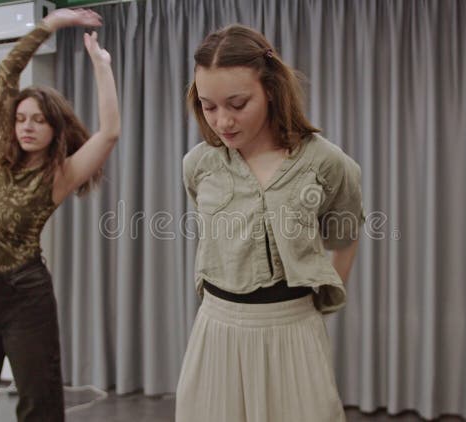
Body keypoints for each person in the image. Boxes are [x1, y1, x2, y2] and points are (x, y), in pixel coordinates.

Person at [176, 24, 364, 422]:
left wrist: (312, 308)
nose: (222, 121)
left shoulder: (327, 163)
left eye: (237, 104)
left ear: (272, 91)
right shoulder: (198, 165)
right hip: (216, 330)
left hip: (292, 331)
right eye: (209, 106)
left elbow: (344, 238)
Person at [0, 8, 120, 422]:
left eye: (39, 120)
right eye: (21, 119)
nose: (27, 127)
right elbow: (9, 68)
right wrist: (51, 24)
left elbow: (110, 131)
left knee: (38, 405)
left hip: (24, 297)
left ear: (54, 129)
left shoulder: (58, 175)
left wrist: (101, 66)